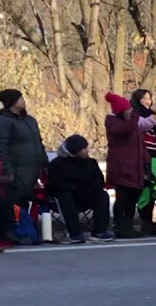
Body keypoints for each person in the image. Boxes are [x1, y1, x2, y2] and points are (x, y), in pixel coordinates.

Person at [46, 135, 113, 243]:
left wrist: (92, 189)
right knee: (66, 197)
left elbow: (99, 181)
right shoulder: (57, 164)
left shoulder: (91, 163)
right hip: (68, 196)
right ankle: (75, 233)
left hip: (87, 195)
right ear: (75, 151)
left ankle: (99, 231)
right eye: (84, 149)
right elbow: (55, 184)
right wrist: (75, 189)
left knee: (102, 195)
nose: (87, 151)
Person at [0, 88, 45, 245]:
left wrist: (43, 163)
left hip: (33, 168)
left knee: (27, 201)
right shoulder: (4, 121)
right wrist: (8, 170)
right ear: (12, 102)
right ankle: (9, 231)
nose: (23, 101)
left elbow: (39, 142)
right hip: (17, 169)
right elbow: (2, 147)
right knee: (10, 202)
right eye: (20, 98)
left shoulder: (30, 120)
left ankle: (28, 230)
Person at [104, 92, 151, 238]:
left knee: (132, 198)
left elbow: (141, 144)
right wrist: (134, 118)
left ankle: (128, 226)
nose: (131, 111)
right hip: (121, 168)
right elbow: (127, 129)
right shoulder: (113, 122)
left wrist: (146, 161)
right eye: (128, 109)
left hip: (135, 169)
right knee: (123, 199)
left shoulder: (133, 124)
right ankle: (121, 227)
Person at [129, 88, 156, 159]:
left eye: (149, 99)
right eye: (144, 99)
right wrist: (153, 118)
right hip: (141, 152)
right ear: (137, 100)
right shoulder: (134, 114)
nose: (148, 101)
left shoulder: (154, 114)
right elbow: (143, 125)